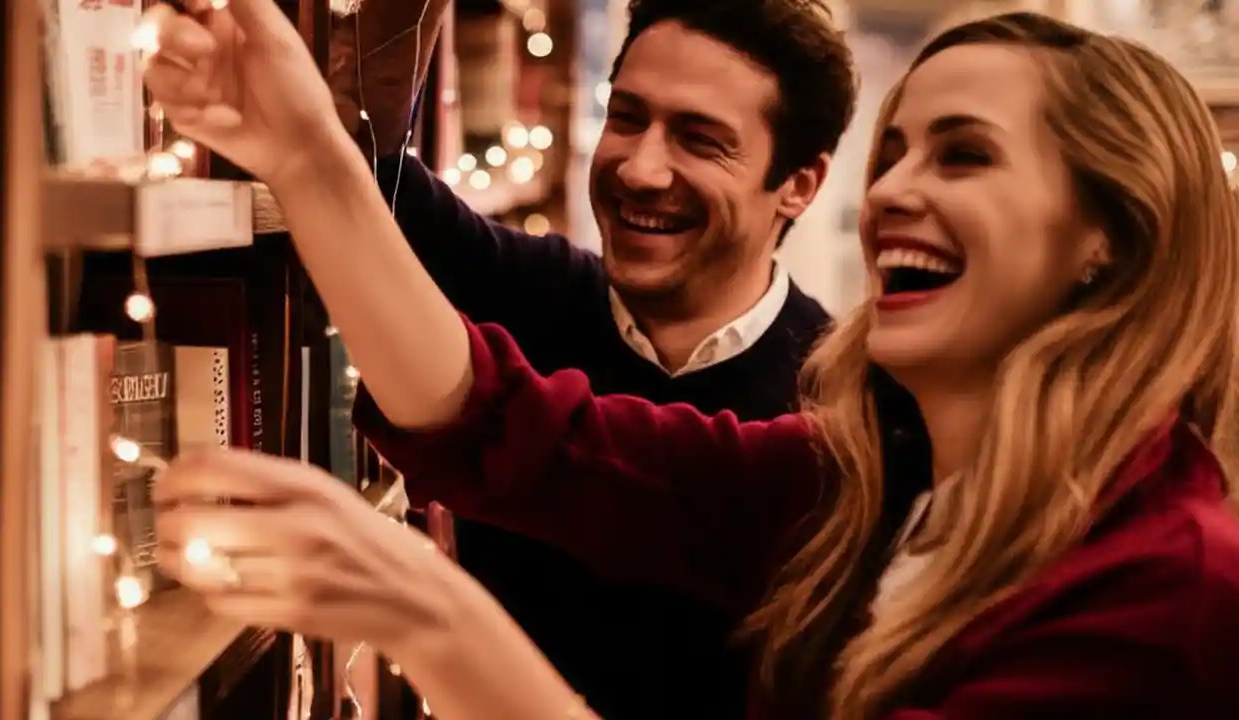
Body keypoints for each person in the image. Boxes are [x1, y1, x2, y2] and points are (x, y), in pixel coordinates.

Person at [147, 5, 1239, 719]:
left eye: (964, 156)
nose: (896, 191)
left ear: (1109, 238)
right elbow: (511, 434)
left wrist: (428, 617)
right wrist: (303, 148)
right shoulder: (865, 485)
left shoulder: (1165, 592)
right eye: (897, 150)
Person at [324, 0, 881, 716]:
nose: (641, 170)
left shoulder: (842, 413)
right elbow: (357, 175)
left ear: (799, 183)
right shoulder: (517, 288)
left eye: (700, 140)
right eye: (626, 118)